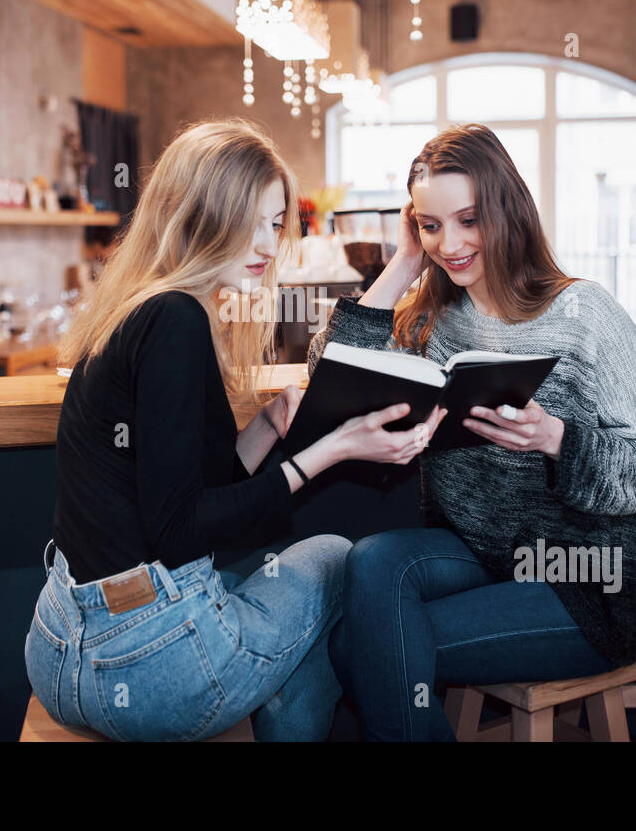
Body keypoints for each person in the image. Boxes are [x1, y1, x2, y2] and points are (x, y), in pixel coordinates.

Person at [24, 119, 445, 741]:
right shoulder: (177, 321)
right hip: (148, 668)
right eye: (248, 221)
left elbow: (191, 495)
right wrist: (334, 450)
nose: (269, 245)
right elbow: (180, 531)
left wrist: (269, 426)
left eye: (276, 224)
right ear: (196, 215)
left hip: (58, 652)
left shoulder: (134, 310)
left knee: (284, 615)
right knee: (333, 557)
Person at [310, 123, 636, 741]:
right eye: (430, 226)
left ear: (506, 213)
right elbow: (330, 376)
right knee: (373, 561)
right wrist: (403, 263)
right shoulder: (430, 320)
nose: (449, 244)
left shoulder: (585, 314)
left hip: (590, 580)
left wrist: (556, 439)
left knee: (362, 646)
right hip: (484, 553)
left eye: (468, 220)